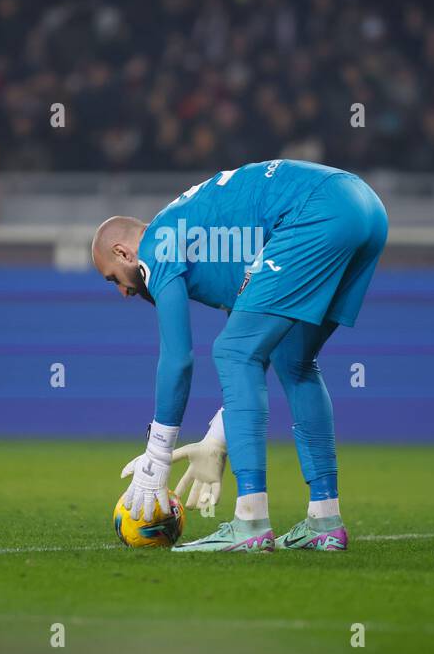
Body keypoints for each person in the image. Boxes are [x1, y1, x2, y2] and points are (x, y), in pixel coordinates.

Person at [91, 159, 387, 552]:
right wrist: (216, 438)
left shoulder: (158, 244)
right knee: (293, 360)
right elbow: (257, 352)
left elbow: (179, 359)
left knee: (231, 352)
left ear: (124, 252)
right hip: (364, 207)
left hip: (317, 208)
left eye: (114, 278)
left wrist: (157, 456)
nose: (123, 293)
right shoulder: (200, 237)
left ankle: (250, 521)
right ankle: (324, 521)